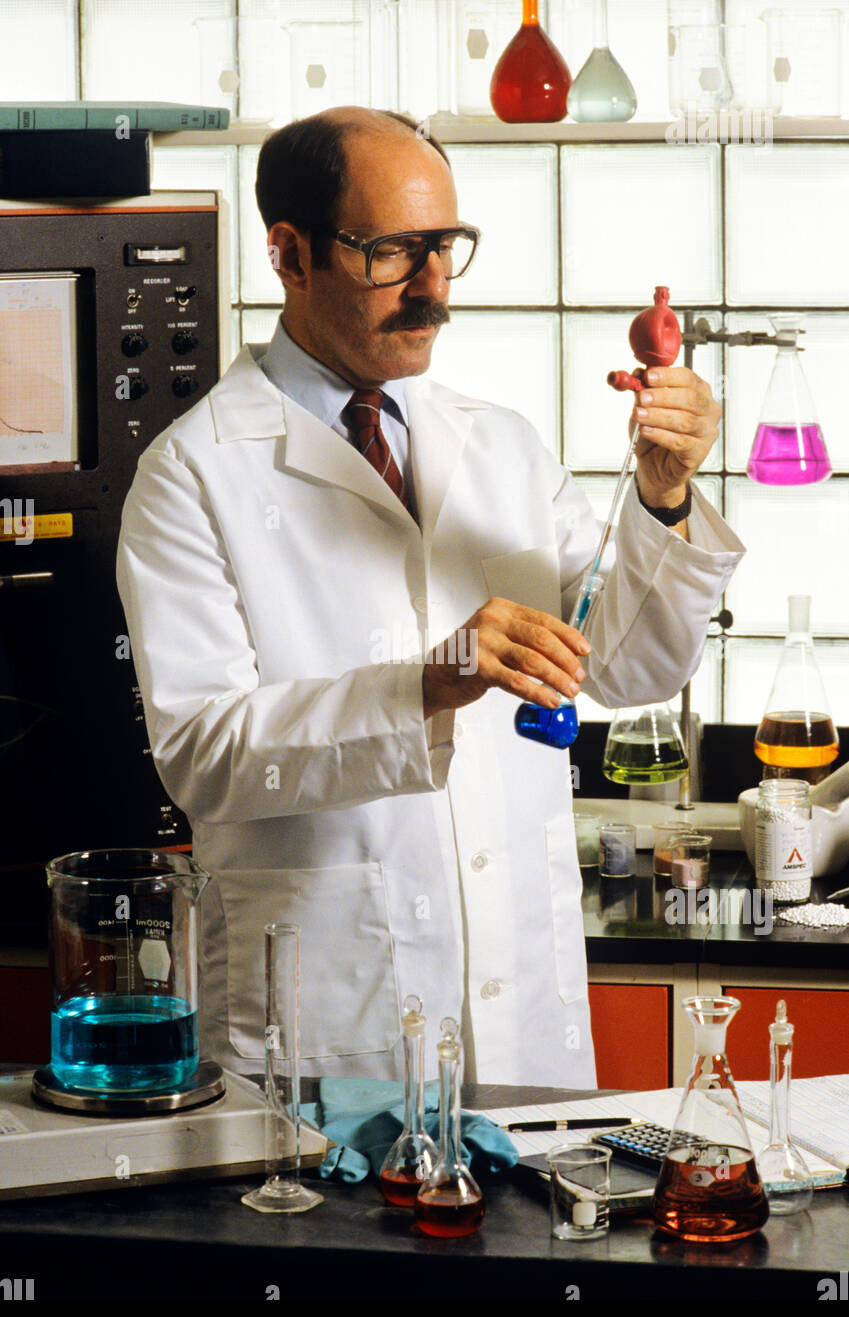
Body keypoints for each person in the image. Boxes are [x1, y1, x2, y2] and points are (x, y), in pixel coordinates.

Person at [116, 106, 744, 1087]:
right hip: (322, 1035)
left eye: (446, 248)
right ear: (290, 253)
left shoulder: (499, 445)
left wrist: (662, 497)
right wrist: (427, 684)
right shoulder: (192, 473)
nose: (433, 288)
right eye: (392, 253)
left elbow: (629, 664)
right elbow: (203, 757)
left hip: (522, 1012)